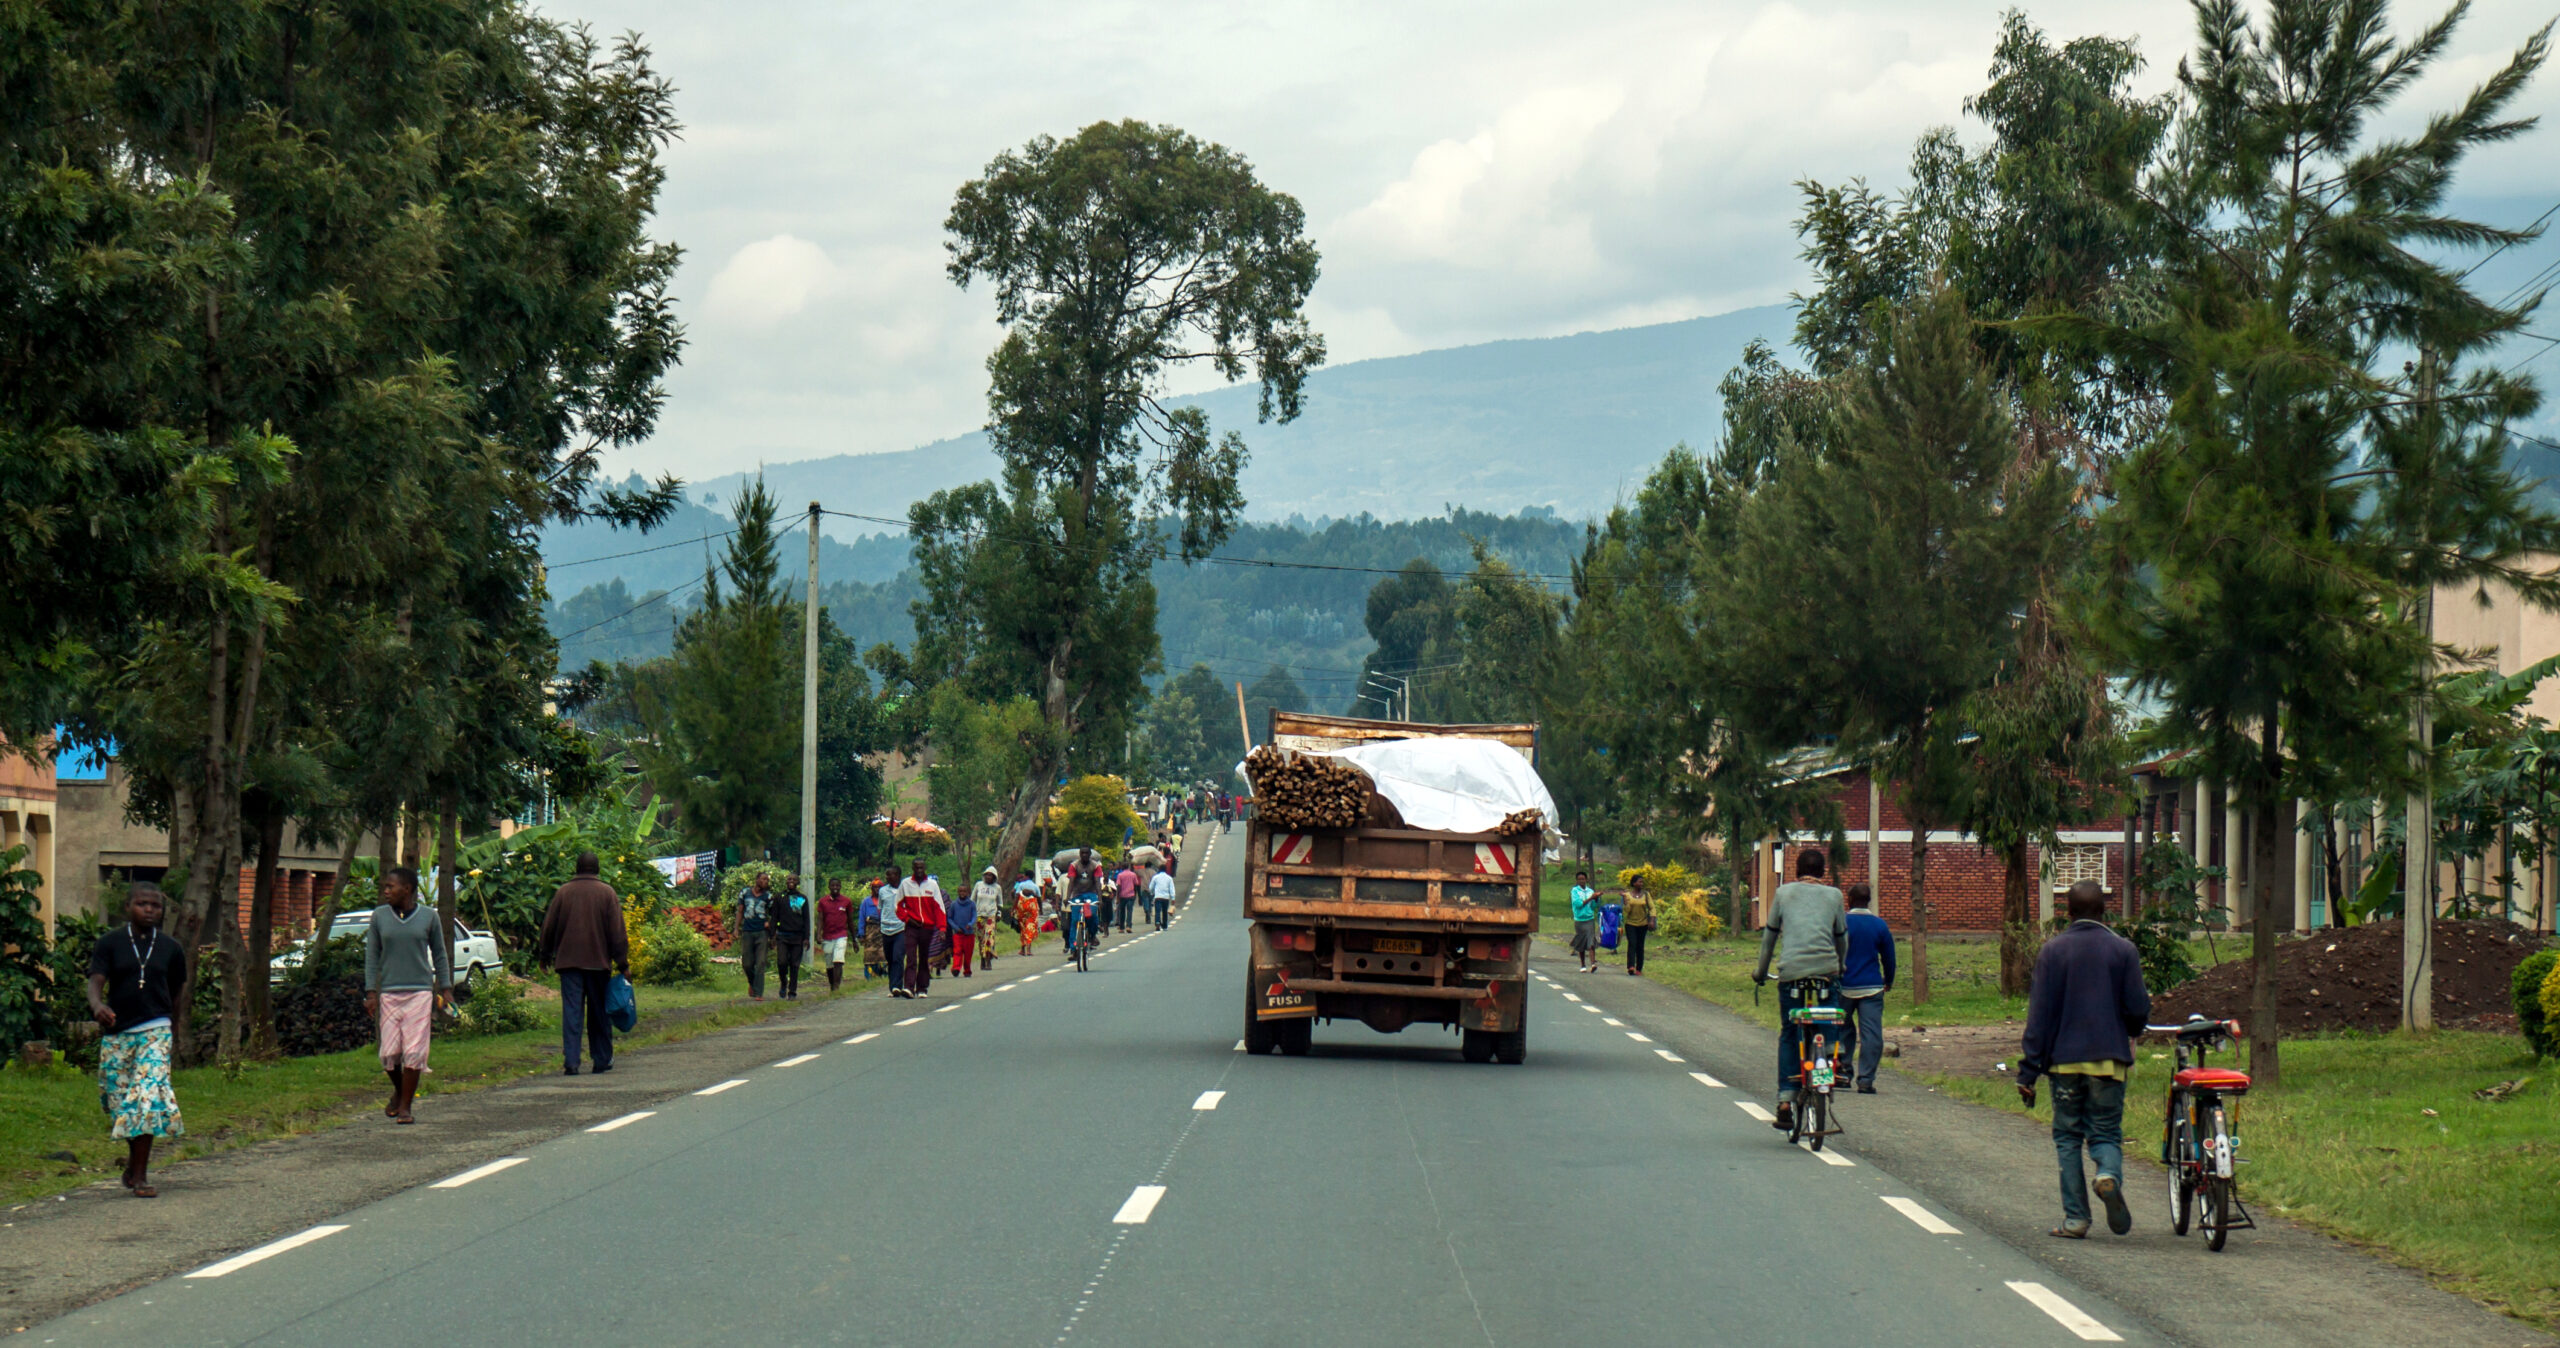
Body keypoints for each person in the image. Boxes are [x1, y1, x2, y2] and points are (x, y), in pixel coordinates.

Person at [2017, 880, 2151, 1240]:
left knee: (2067, 1138)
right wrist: (2132, 1030)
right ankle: (2107, 1174)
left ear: (2069, 912)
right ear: (2104, 911)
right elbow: (2138, 1008)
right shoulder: (2123, 950)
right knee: (2105, 1132)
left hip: (2064, 1064)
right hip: (2108, 1062)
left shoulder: (2053, 951)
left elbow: (2040, 1017)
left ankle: (2076, 1219)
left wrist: (2027, 1072)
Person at [85, 883, 185, 1197]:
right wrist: (98, 1006)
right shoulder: (110, 943)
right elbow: (95, 981)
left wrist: (174, 1030)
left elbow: (178, 992)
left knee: (146, 1099)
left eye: (156, 905)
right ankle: (133, 1162)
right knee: (119, 1104)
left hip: (155, 1029)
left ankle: (140, 1176)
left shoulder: (171, 948)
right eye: (143, 904)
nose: (150, 910)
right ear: (128, 906)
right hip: (118, 1032)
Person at [1752, 849, 1848, 1131]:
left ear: (1796, 871)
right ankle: (1827, 1064)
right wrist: (1840, 966)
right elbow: (1841, 937)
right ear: (1823, 871)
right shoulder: (1834, 896)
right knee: (1827, 1018)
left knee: (1790, 1032)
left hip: (1791, 975)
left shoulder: (1783, 894)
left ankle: (1784, 1100)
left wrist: (1760, 972)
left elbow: (1769, 939)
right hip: (1825, 973)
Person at [364, 865, 453, 1124]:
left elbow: (439, 953)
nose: (386, 890)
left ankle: (405, 1107)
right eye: (385, 886)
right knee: (388, 1053)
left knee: (413, 1052)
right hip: (389, 993)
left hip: (420, 993)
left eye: (391, 886)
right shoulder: (379, 917)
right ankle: (400, 1091)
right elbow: (371, 957)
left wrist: (445, 988)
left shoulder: (429, 917)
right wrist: (370, 992)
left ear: (408, 889)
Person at [536, 851, 630, 1076]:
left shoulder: (563, 893)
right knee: (598, 1013)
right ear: (596, 870)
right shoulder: (607, 893)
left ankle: (571, 1061)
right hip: (598, 964)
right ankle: (601, 1059)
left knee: (572, 1013)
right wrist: (622, 964)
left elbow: (548, 928)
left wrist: (544, 956)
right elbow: (617, 933)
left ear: (577, 869)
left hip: (568, 963)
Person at [1839, 883, 1897, 1094]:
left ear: (1849, 900)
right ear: (1869, 901)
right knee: (1871, 1034)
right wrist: (1888, 979)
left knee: (1842, 1028)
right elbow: (1889, 957)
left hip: (1843, 985)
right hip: (1872, 987)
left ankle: (1843, 1073)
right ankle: (1866, 1080)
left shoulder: (1842, 923)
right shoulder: (1880, 925)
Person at [897, 860, 946, 996]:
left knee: (924, 957)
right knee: (911, 957)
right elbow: (898, 906)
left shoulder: (932, 885)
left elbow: (939, 908)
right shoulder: (905, 884)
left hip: (927, 927)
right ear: (912, 868)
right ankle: (909, 987)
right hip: (911, 927)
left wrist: (942, 928)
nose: (919, 870)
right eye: (916, 867)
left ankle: (922, 988)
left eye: (921, 868)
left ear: (925, 868)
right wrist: (907, 919)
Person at [736, 871, 776, 1001]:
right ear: (757, 879)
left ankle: (759, 993)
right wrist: (736, 928)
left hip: (761, 933)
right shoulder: (745, 893)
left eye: (767, 880)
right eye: (763, 879)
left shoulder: (768, 896)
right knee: (747, 963)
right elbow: (740, 911)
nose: (765, 882)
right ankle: (752, 983)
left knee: (761, 962)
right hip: (747, 931)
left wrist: (769, 925)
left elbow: (774, 914)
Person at [773, 873, 812, 999]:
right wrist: (772, 935)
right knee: (782, 962)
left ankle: (792, 991)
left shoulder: (803, 899)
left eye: (794, 879)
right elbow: (774, 917)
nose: (791, 881)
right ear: (786, 881)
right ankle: (783, 982)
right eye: (789, 879)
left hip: (797, 936)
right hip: (782, 936)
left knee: (795, 965)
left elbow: (806, 919)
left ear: (797, 883)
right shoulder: (779, 897)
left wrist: (807, 937)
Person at [1063, 846, 1105, 956]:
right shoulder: (1074, 865)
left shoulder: (1095, 866)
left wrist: (1099, 899)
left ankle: (1092, 935)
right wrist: (1068, 897)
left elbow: (1097, 882)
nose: (1084, 855)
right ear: (1080, 854)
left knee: (1091, 915)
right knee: (1075, 920)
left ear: (1090, 854)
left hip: (1091, 895)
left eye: (1087, 853)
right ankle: (1073, 949)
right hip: (1077, 895)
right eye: (1082, 853)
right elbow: (1071, 881)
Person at [817, 877, 855, 993]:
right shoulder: (823, 902)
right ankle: (832, 984)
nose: (835, 888)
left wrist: (854, 939)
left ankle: (836, 987)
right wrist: (818, 934)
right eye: (832, 886)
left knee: (838, 961)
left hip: (841, 935)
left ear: (840, 887)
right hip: (827, 937)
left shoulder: (846, 901)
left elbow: (850, 921)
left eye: (837, 886)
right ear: (829, 887)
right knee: (829, 965)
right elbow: (820, 919)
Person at [950, 870, 990, 979]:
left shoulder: (972, 904)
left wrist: (971, 924)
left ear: (968, 892)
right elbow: (949, 918)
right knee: (957, 952)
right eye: (960, 891)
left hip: (969, 934)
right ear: (958, 892)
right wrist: (955, 927)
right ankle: (956, 968)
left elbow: (974, 916)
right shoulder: (954, 904)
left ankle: (967, 970)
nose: (962, 893)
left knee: (967, 955)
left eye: (964, 891)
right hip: (958, 934)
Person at [877, 870, 911, 998]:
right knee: (890, 958)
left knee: (898, 956)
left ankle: (897, 985)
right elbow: (881, 908)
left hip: (901, 928)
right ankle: (893, 986)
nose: (889, 877)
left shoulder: (905, 890)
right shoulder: (882, 891)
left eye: (892, 874)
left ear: (898, 876)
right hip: (886, 928)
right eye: (887, 875)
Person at [1568, 871, 1600, 973]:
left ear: (1586, 880)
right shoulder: (1575, 891)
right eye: (1579, 879)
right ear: (1577, 880)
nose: (1582, 881)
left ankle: (1593, 963)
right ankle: (1583, 964)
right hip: (1579, 919)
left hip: (1589, 919)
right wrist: (1591, 898)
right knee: (1581, 942)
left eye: (1583, 879)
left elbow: (1594, 906)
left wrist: (1596, 899)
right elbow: (1578, 904)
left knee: (1591, 941)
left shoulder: (1590, 890)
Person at [1621, 879, 1655, 976]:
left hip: (1643, 924)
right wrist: (1625, 901)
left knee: (1640, 946)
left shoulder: (1646, 894)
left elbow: (1652, 907)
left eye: (1642, 882)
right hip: (1631, 924)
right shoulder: (1627, 895)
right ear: (1634, 883)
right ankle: (1631, 966)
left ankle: (1639, 968)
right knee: (1632, 944)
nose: (1641, 884)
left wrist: (1652, 920)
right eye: (1639, 882)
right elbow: (1627, 911)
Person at [857, 881, 887, 980]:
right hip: (870, 931)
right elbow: (861, 918)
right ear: (872, 889)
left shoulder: (886, 900)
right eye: (875, 887)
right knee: (870, 954)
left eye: (879, 887)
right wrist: (861, 934)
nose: (877, 889)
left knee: (883, 953)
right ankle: (870, 975)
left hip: (884, 929)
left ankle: (883, 974)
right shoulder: (866, 902)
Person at [1014, 874, 1041, 956]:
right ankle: (1028, 949)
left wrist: (1013, 908)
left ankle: (1022, 949)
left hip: (1022, 906)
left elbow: (1017, 896)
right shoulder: (1035, 886)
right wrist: (1041, 909)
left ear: (1026, 876)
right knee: (1030, 927)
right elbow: (1039, 898)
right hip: (1032, 907)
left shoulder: (1021, 885)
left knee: (1023, 928)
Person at [1113, 860, 1140, 933]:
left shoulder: (1120, 875)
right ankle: (1129, 926)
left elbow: (1118, 886)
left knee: (1122, 911)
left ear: (1122, 867)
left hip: (1122, 895)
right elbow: (1136, 885)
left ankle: (1122, 927)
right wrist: (1135, 894)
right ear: (1128, 867)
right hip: (1131, 895)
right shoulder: (1133, 874)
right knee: (1129, 910)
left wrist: (1117, 897)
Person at [1148, 863, 1175, 929]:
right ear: (1166, 870)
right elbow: (1172, 889)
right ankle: (1165, 925)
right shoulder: (1169, 878)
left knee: (1157, 911)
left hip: (1158, 897)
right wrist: (1173, 898)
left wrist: (1152, 893)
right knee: (1164, 911)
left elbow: (1151, 887)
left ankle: (1157, 922)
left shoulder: (1155, 877)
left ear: (1159, 869)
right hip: (1166, 897)